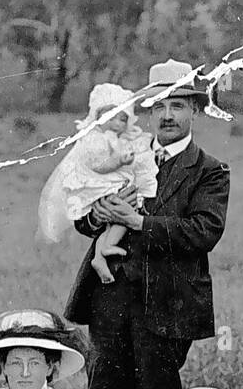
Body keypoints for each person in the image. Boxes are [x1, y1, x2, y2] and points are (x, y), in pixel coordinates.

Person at [65, 59, 230, 389]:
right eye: (158, 106)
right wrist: (98, 217)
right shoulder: (125, 149)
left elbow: (203, 231)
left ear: (195, 110)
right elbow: (83, 209)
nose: (167, 115)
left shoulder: (210, 171)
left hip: (168, 304)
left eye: (178, 105)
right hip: (110, 297)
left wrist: (138, 221)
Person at [38, 82, 160, 285]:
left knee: (119, 217)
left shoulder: (126, 141)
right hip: (103, 187)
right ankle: (104, 252)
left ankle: (100, 256)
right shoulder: (99, 141)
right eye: (111, 118)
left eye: (123, 119)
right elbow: (100, 167)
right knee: (118, 215)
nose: (118, 124)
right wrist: (119, 162)